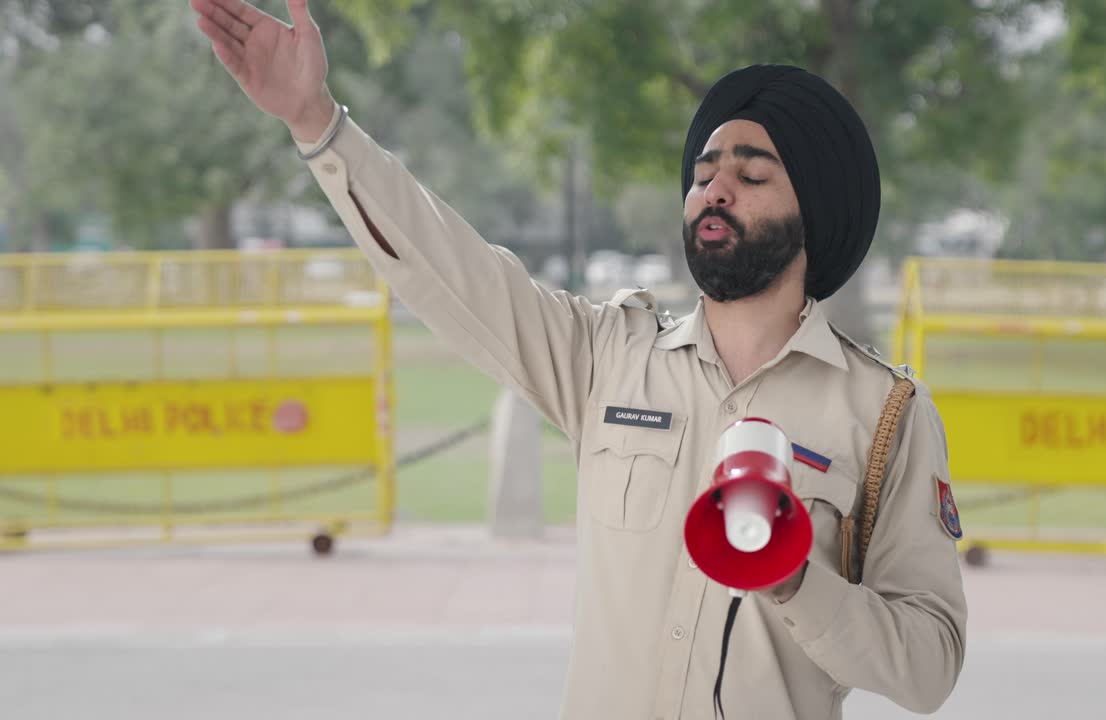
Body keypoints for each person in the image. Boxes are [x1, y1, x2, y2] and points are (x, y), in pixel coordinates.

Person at [191, 1, 967, 718]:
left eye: (751, 174)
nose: (713, 189)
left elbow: (929, 667)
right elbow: (448, 268)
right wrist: (318, 126)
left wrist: (796, 581)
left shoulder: (885, 415)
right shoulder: (607, 358)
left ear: (816, 209)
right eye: (701, 174)